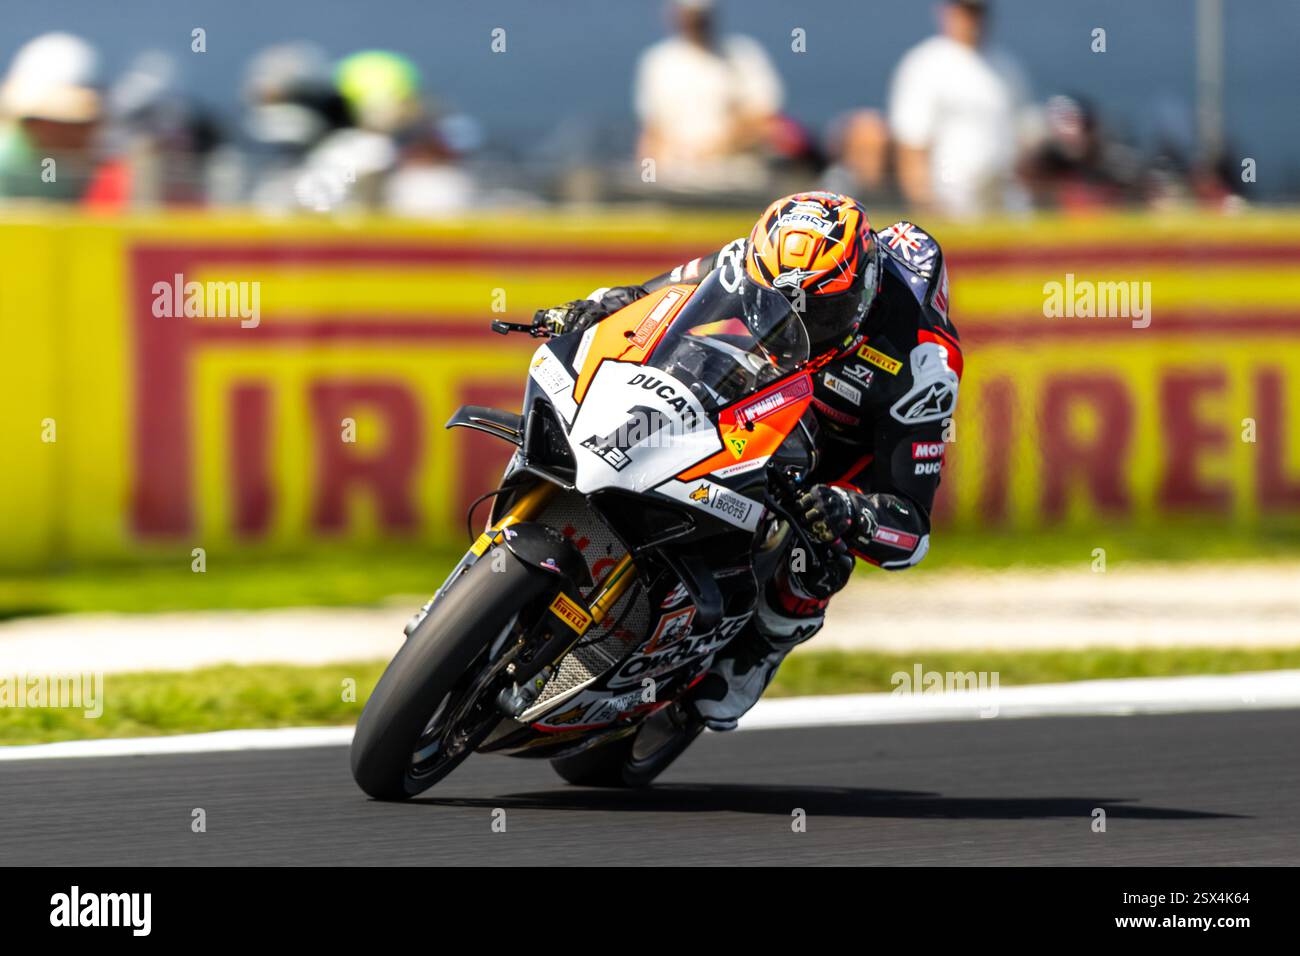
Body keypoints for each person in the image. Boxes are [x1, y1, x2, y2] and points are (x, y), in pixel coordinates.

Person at [536, 192, 962, 729]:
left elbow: (913, 529)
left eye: (822, 307)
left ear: (863, 290)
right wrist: (594, 308)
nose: (799, 316)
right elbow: (651, 300)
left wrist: (849, 512)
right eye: (776, 297)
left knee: (818, 553)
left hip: (843, 449)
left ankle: (763, 646)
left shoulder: (924, 365)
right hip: (758, 384)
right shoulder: (746, 260)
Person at [887, 0, 1031, 217]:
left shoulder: (1007, 67)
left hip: (1003, 201)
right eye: (965, 11)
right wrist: (925, 204)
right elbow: (911, 144)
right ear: (946, 12)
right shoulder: (925, 64)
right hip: (949, 203)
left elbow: (1022, 137)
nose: (972, 20)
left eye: (977, 12)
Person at [633, 0, 784, 189]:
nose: (694, 22)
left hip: (737, 180)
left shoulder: (744, 56)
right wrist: (648, 176)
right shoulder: (657, 62)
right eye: (688, 14)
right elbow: (652, 131)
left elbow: (766, 121)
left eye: (698, 15)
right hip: (674, 181)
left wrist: (715, 149)